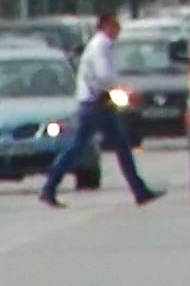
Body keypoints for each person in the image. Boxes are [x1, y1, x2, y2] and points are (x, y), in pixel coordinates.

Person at [40, 12, 164, 208]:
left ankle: (139, 191)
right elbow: (104, 75)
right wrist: (123, 91)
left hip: (97, 103)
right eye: (115, 25)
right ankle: (49, 188)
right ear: (105, 25)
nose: (118, 30)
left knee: (103, 147)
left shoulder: (100, 45)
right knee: (84, 148)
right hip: (96, 104)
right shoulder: (101, 46)